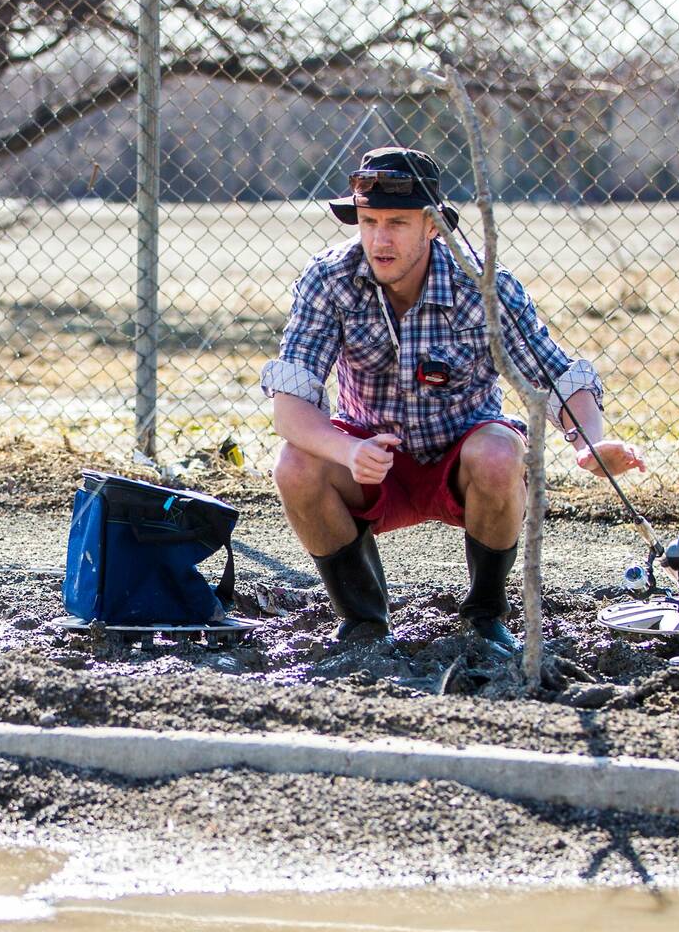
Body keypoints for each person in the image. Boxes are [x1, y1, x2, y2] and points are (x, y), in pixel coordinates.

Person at [261, 146, 646, 653]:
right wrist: (349, 452)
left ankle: (486, 616)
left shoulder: (482, 285)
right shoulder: (329, 278)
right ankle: (363, 624)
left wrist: (590, 444)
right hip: (372, 459)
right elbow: (290, 407)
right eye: (368, 220)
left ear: (433, 226)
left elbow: (556, 377)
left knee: (499, 451)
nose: (379, 238)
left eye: (397, 222)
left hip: (464, 458)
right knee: (295, 465)